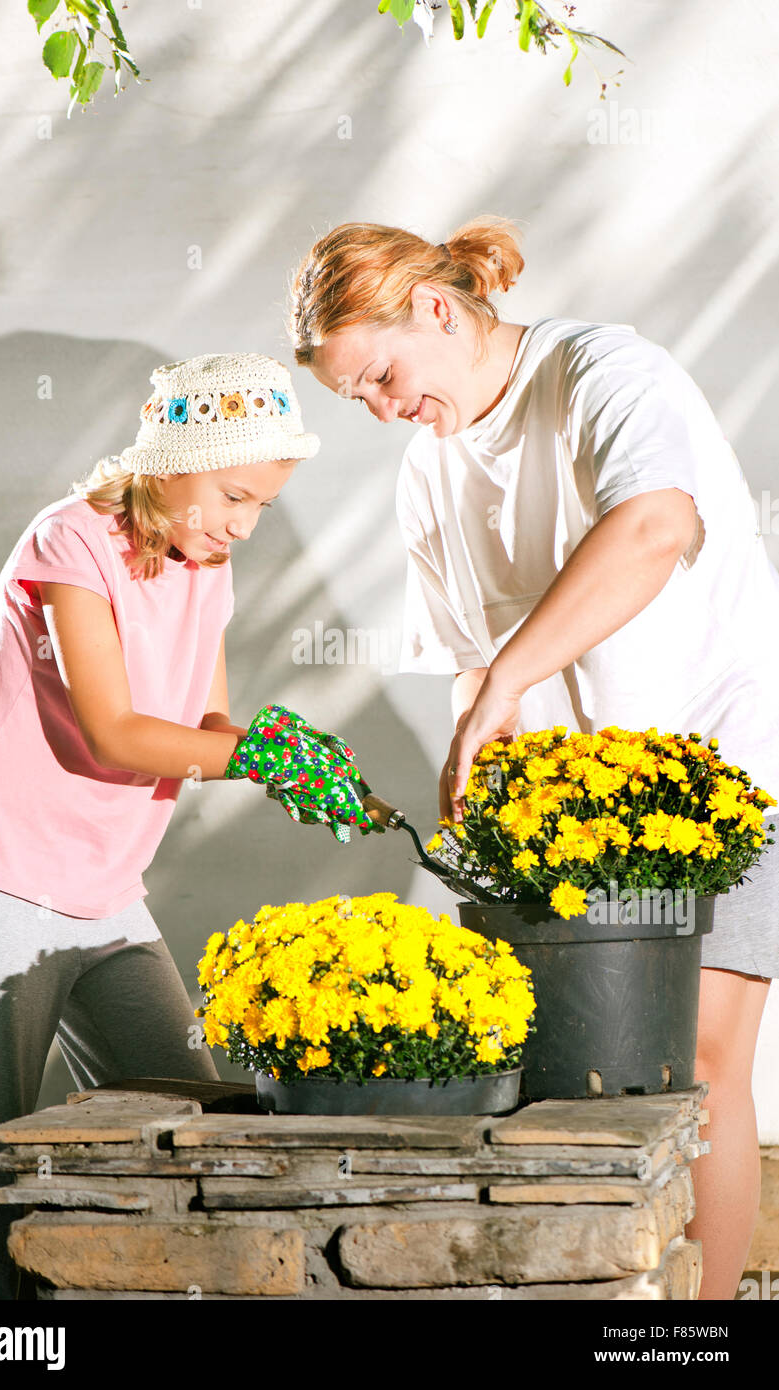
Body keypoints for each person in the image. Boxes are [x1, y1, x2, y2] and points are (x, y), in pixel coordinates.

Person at [287, 215, 779, 1300]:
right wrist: (479, 801)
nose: (381, 408)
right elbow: (474, 671)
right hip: (574, 810)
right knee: (583, 1076)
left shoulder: (603, 371)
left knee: (698, 1064)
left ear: (434, 308)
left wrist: (507, 678)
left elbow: (653, 524)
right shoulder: (427, 473)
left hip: (725, 773)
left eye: (378, 376)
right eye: (355, 399)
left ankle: (700, 1324)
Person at [0, 351, 376, 1300]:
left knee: (193, 1121)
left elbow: (202, 727)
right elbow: (116, 729)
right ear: (173, 460)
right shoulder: (68, 544)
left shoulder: (206, 568)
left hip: (105, 891)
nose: (243, 526)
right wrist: (254, 757)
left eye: (261, 507)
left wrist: (279, 747)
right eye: (232, 496)